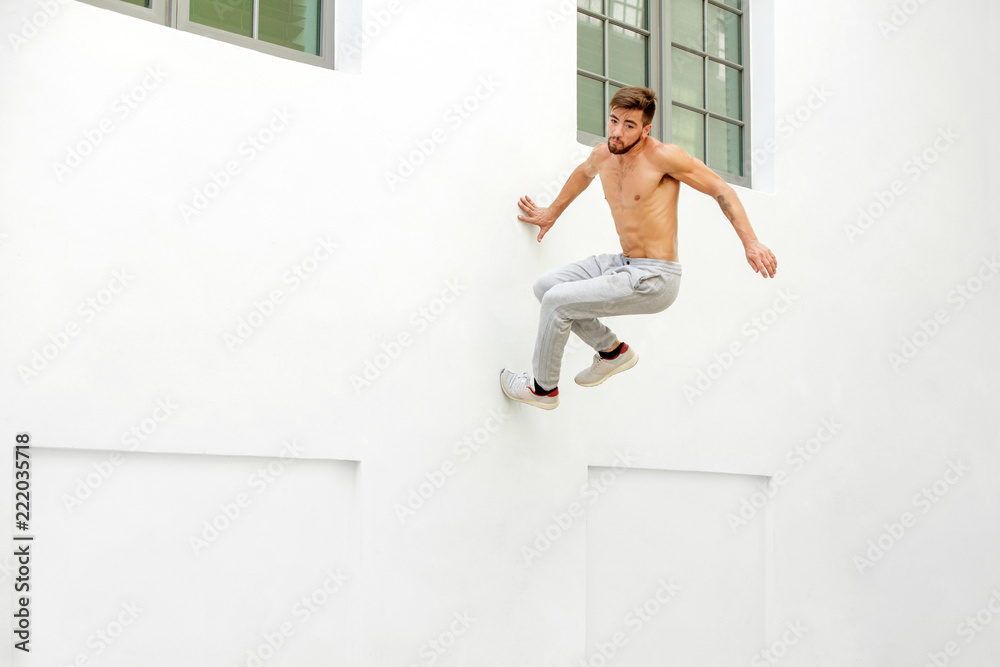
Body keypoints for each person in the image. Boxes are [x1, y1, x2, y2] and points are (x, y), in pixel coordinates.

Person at [499, 86, 777, 410]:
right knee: (545, 287)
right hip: (624, 264)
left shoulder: (663, 157)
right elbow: (582, 175)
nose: (617, 132)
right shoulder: (603, 154)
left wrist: (751, 242)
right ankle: (612, 352)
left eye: (629, 126)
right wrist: (552, 212)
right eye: (614, 120)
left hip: (656, 277)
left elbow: (719, 188)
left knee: (558, 303)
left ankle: (542, 390)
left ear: (645, 130)